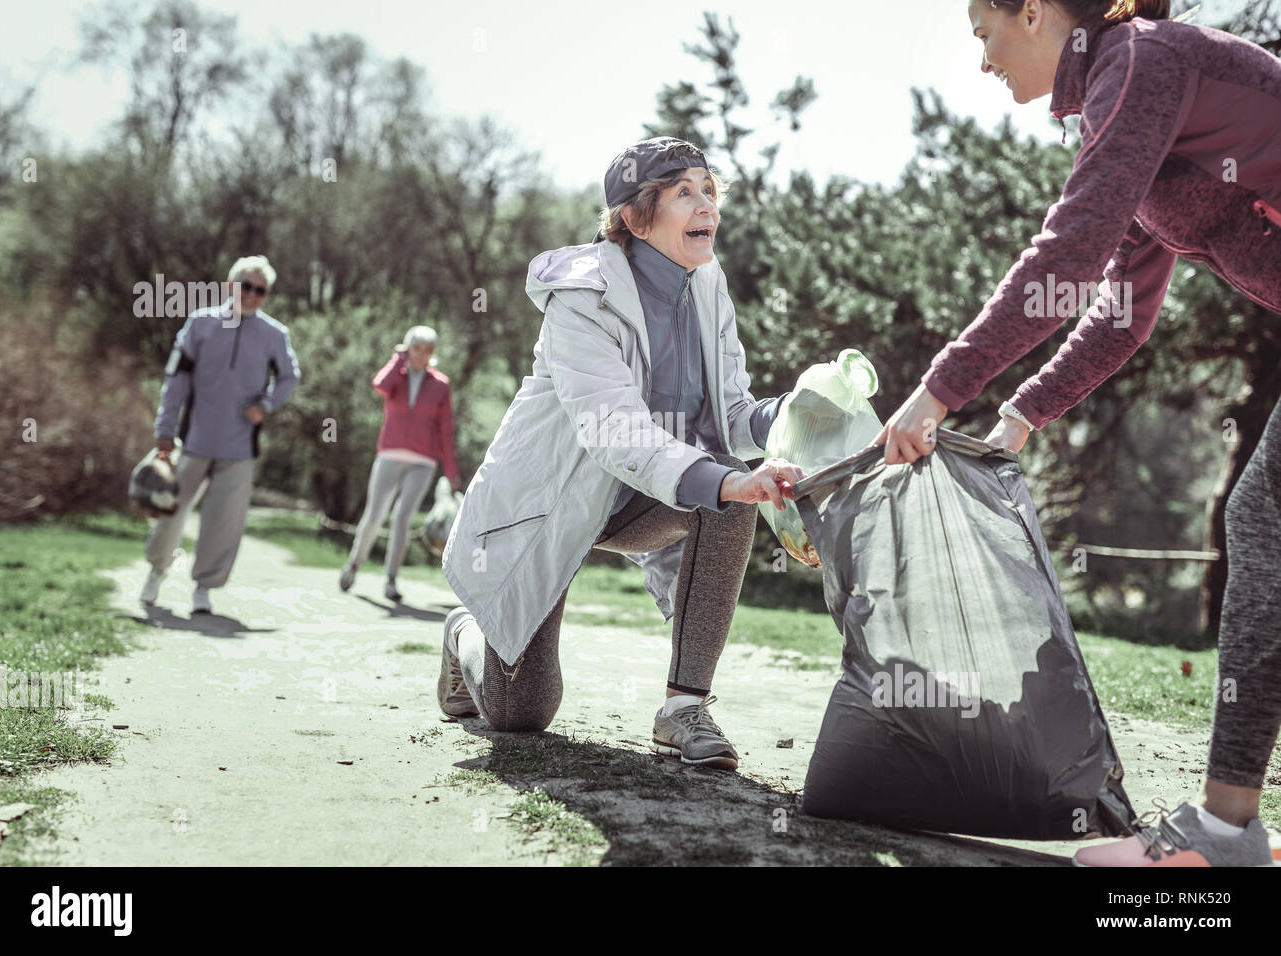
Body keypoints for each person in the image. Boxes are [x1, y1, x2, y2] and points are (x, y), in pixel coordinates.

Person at [875, 0, 1281, 866]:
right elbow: (1120, 310)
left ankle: (1226, 833)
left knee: (1261, 520)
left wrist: (939, 390)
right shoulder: (1118, 95)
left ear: (1032, 12)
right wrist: (1021, 414)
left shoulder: (1136, 61)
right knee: (1264, 521)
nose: (982, 61)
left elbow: (1067, 248)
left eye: (982, 33)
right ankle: (1230, 828)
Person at [438, 137, 804, 769]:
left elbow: (734, 416)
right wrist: (722, 480)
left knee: (736, 492)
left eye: (708, 190)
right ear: (635, 217)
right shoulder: (581, 297)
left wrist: (801, 414)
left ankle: (683, 709)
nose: (705, 205)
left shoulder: (709, 285)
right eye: (684, 192)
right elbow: (615, 430)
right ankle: (463, 632)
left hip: (641, 500)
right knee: (520, 713)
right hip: (551, 508)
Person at [141, 255, 301, 615]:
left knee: (224, 521)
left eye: (261, 290)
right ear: (230, 285)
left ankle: (204, 587)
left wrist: (267, 404)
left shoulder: (275, 334)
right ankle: (157, 570)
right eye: (246, 286)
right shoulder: (200, 324)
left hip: (239, 446)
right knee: (170, 510)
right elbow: (175, 380)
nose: (253, 295)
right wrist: (165, 429)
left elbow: (290, 375)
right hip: (195, 439)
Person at [340, 325, 462, 602]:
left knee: (402, 518)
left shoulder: (440, 384)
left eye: (428, 350)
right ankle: (354, 564)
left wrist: (452, 472)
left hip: (423, 461)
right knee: (374, 515)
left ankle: (391, 579)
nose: (423, 355)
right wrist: (398, 360)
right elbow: (379, 386)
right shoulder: (397, 376)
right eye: (417, 348)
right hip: (390, 455)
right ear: (408, 349)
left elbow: (445, 430)